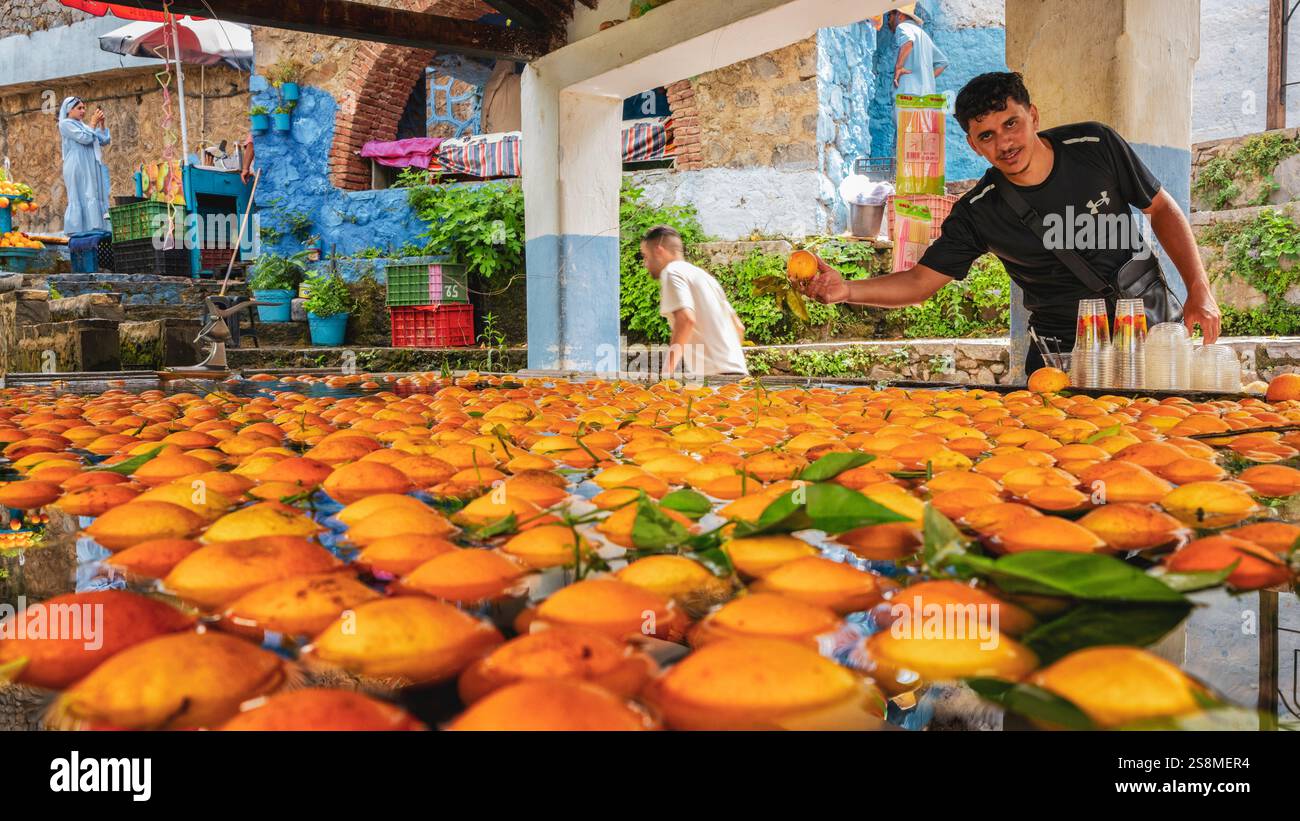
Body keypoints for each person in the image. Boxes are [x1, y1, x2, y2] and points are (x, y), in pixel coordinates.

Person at [799, 71, 1221, 375]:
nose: (1004, 143)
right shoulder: (979, 210)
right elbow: (919, 282)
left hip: (1146, 330)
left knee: (1164, 443)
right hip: (1063, 355)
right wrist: (847, 290)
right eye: (986, 135)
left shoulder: (1094, 146)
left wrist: (1199, 289)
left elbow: (1162, 210)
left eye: (1011, 123)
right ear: (973, 144)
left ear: (1033, 116)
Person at [640, 225, 748, 378]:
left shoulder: (672, 271)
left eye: (645, 256)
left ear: (659, 250)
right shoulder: (706, 278)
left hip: (714, 378)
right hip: (739, 374)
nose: (645, 263)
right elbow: (739, 327)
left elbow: (685, 318)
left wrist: (666, 373)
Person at [58, 97, 112, 235]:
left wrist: (101, 124)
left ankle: (94, 228)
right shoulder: (65, 124)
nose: (83, 111)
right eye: (79, 108)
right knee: (80, 193)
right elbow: (85, 138)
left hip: (89, 165)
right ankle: (78, 230)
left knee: (93, 192)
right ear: (69, 110)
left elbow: (104, 140)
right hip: (77, 166)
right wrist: (93, 123)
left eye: (84, 108)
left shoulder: (84, 126)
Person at [890, 4, 948, 96]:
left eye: (890, 16)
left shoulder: (902, 26)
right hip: (927, 96)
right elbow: (943, 62)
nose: (889, 21)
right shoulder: (923, 35)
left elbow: (908, 41)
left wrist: (899, 67)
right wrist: (927, 79)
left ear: (899, 15)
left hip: (907, 94)